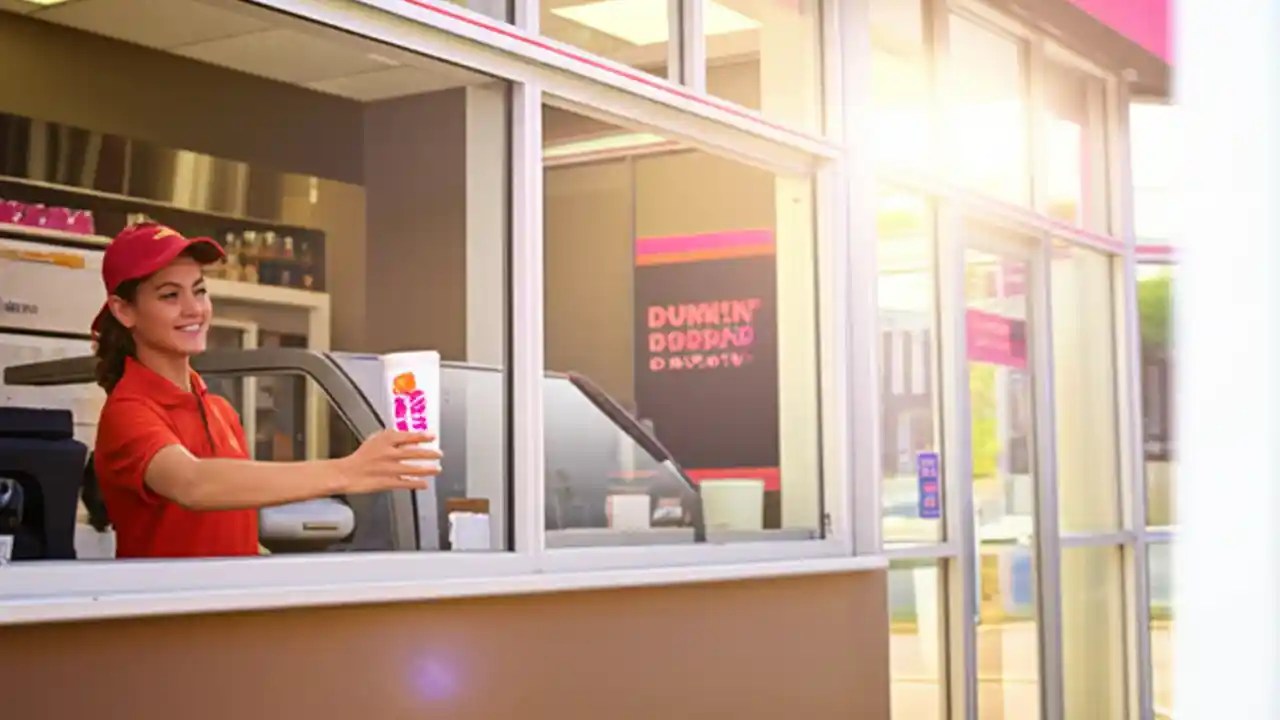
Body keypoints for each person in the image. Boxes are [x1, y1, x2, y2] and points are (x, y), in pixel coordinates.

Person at [90, 222, 440, 559]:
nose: (194, 309)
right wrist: (349, 471)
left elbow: (226, 527)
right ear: (124, 310)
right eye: (170, 295)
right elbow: (192, 483)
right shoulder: (129, 411)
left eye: (199, 291)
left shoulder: (219, 409)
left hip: (235, 614)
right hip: (167, 617)